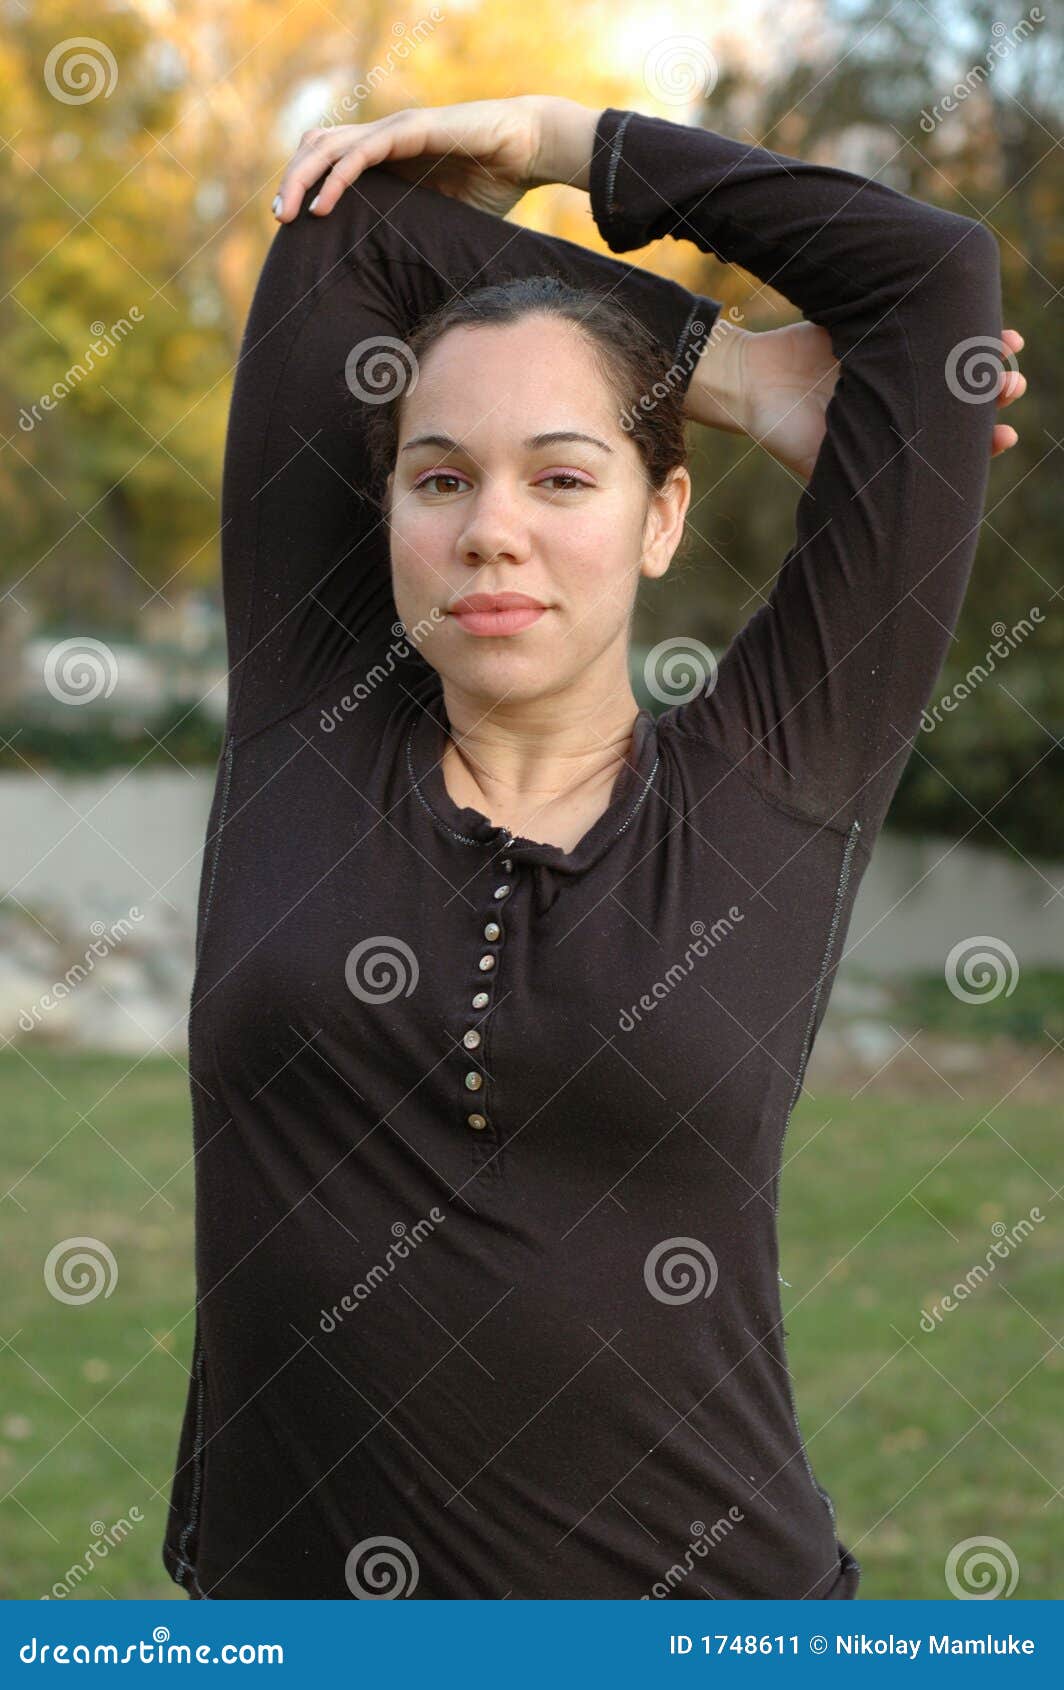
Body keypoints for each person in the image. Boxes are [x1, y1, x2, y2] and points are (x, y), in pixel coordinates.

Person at [162, 95, 1024, 1600]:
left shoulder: (780, 773)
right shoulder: (308, 721)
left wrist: (569, 137)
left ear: (661, 514)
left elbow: (931, 281)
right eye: (439, 477)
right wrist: (730, 368)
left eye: (564, 477)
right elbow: (348, 227)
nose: (493, 527)